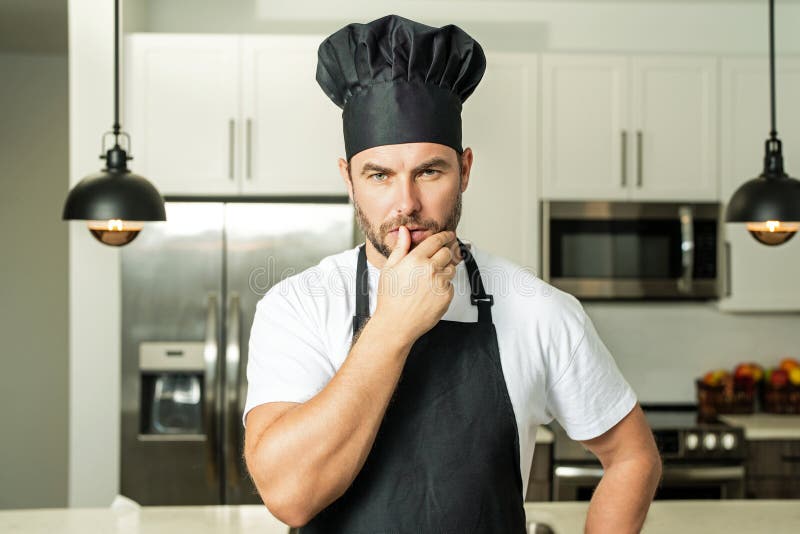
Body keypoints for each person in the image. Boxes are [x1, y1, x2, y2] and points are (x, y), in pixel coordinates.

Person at [243, 14, 661, 533]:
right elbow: (289, 495)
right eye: (379, 175)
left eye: (429, 171)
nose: (407, 203)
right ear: (349, 180)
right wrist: (394, 323)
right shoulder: (298, 306)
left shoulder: (538, 309)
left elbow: (633, 457)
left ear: (464, 170)